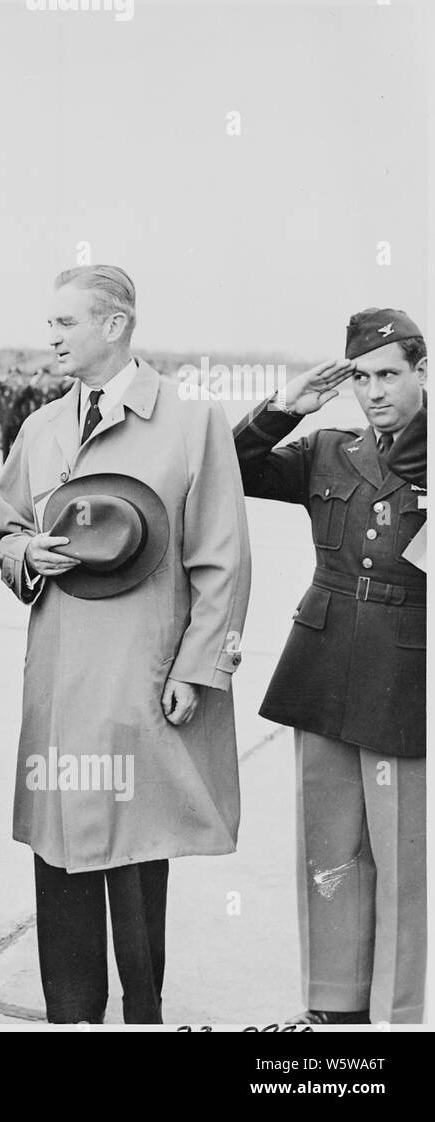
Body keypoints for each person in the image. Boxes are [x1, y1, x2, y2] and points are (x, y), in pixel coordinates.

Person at [0, 265, 251, 1024]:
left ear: (114, 326)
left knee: (137, 853)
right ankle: (71, 1014)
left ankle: (143, 1010)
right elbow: (7, 525)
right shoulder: (41, 427)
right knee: (60, 852)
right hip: (60, 681)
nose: (50, 337)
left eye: (64, 324)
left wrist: (199, 667)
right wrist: (22, 556)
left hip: (142, 680)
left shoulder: (190, 422)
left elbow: (224, 559)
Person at [232, 308, 426, 1025]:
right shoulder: (328, 448)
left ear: (422, 371)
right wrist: (285, 408)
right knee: (330, 847)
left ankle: (404, 1016)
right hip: (322, 662)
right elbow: (234, 468)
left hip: (406, 673)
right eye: (363, 379)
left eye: (389, 375)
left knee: (407, 860)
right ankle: (334, 1009)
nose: (374, 392)